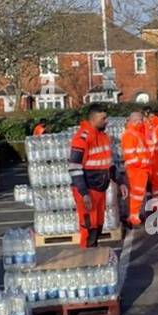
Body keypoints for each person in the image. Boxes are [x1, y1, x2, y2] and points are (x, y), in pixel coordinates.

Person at [68, 104, 115, 247]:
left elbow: (109, 162)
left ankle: (93, 254)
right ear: (94, 119)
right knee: (88, 228)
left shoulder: (103, 136)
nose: (106, 121)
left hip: (100, 187)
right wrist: (84, 193)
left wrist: (119, 179)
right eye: (103, 118)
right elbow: (74, 167)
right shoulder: (82, 138)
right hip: (88, 189)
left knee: (98, 225)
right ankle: (86, 260)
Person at [120, 111, 152, 227]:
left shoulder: (137, 133)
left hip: (141, 169)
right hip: (136, 170)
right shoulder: (130, 134)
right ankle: (133, 217)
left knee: (138, 194)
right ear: (134, 120)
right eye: (140, 120)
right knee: (136, 194)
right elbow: (130, 155)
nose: (141, 122)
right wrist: (142, 163)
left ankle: (135, 216)